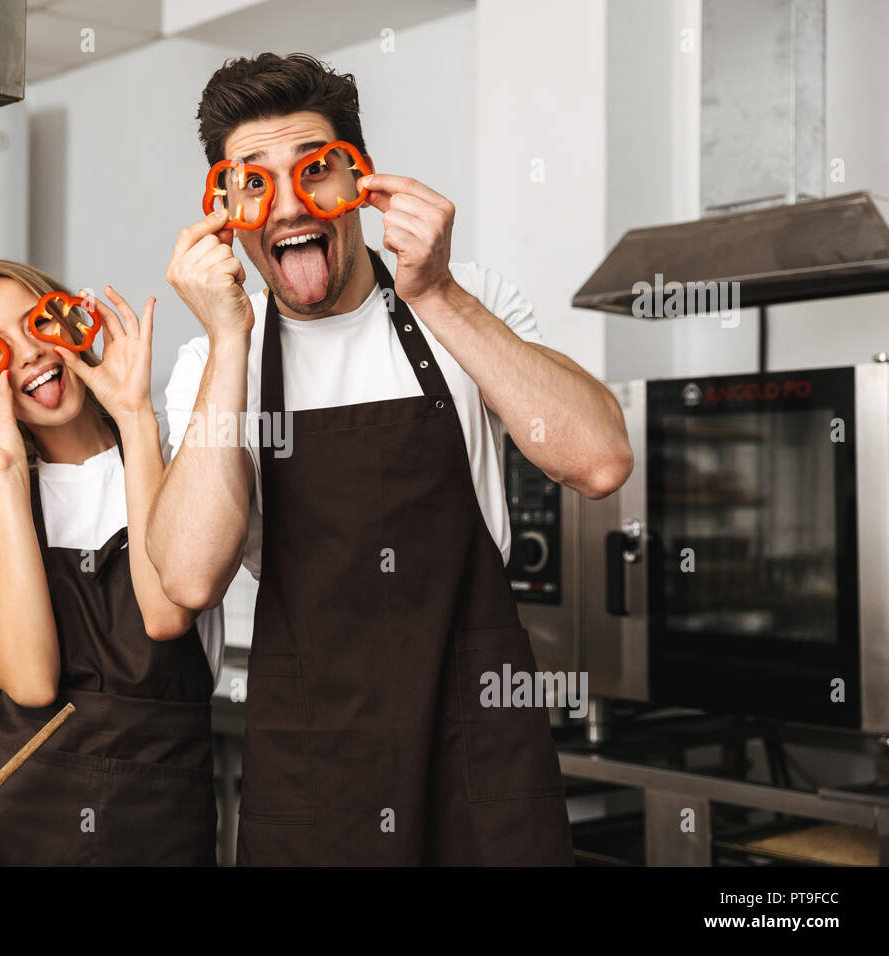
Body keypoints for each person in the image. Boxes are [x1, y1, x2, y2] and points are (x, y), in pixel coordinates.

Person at [148, 53, 633, 865]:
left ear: (359, 184)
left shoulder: (460, 296)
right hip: (311, 763)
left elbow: (599, 461)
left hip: (477, 740)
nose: (289, 205)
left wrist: (437, 293)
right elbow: (190, 577)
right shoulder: (212, 366)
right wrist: (231, 335)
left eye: (314, 172)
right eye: (253, 184)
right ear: (227, 210)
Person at [0, 259, 222, 865]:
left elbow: (166, 617)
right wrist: (4, 477)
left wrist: (135, 418)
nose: (26, 352)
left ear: (77, 319)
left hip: (165, 818)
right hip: (23, 827)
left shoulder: (179, 456)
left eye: (37, 322)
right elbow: (30, 682)